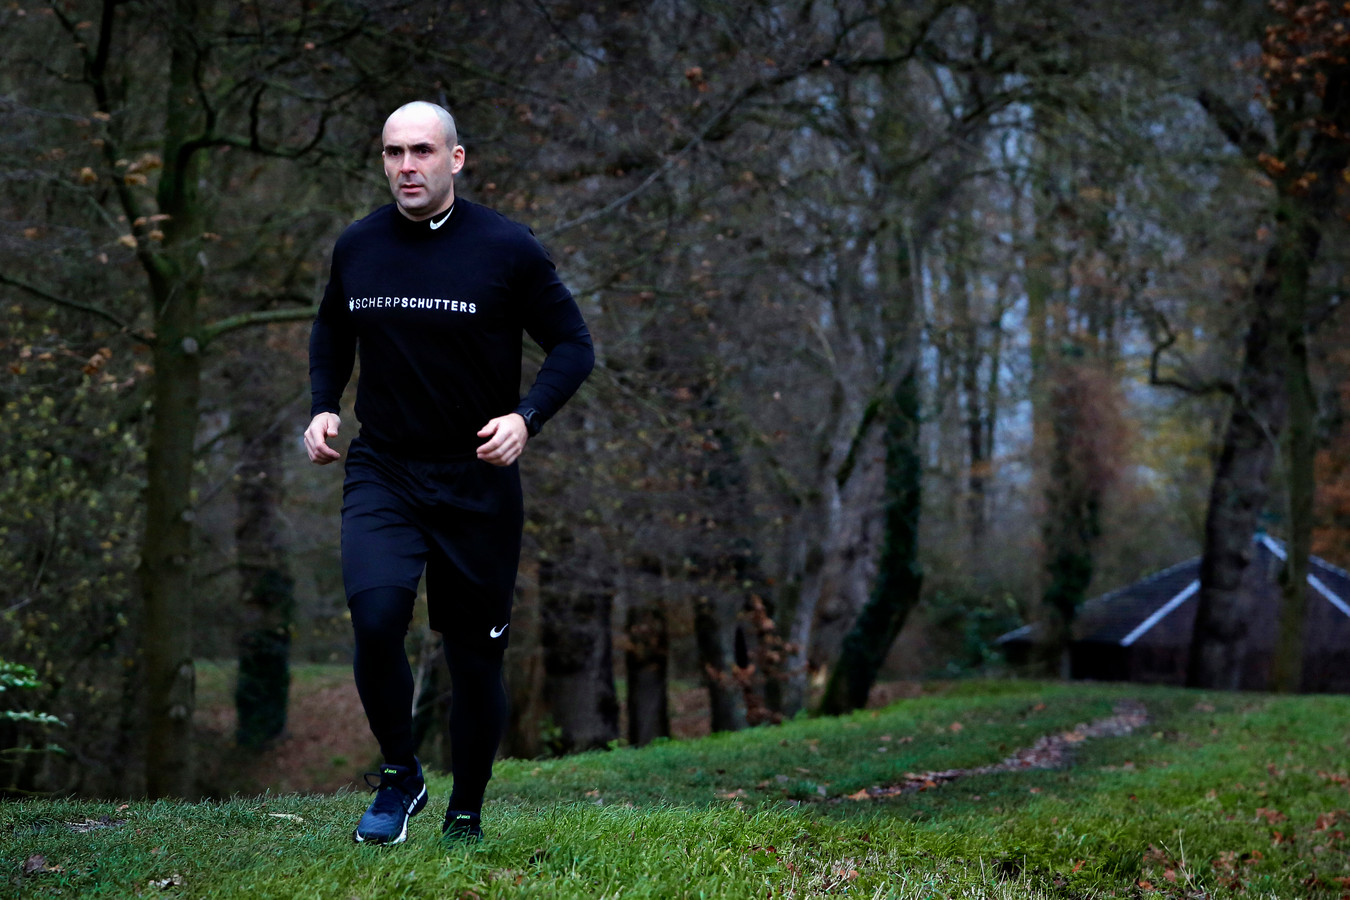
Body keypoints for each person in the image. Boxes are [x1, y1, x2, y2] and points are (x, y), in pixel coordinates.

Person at [304, 100, 594, 845]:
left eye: (423, 152)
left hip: (475, 483)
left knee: (473, 660)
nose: (407, 166)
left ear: (455, 159)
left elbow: (572, 345)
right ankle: (401, 776)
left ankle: (466, 809)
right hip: (385, 469)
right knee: (375, 622)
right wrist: (322, 406)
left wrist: (526, 416)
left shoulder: (507, 248)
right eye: (394, 152)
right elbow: (333, 327)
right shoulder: (359, 245)